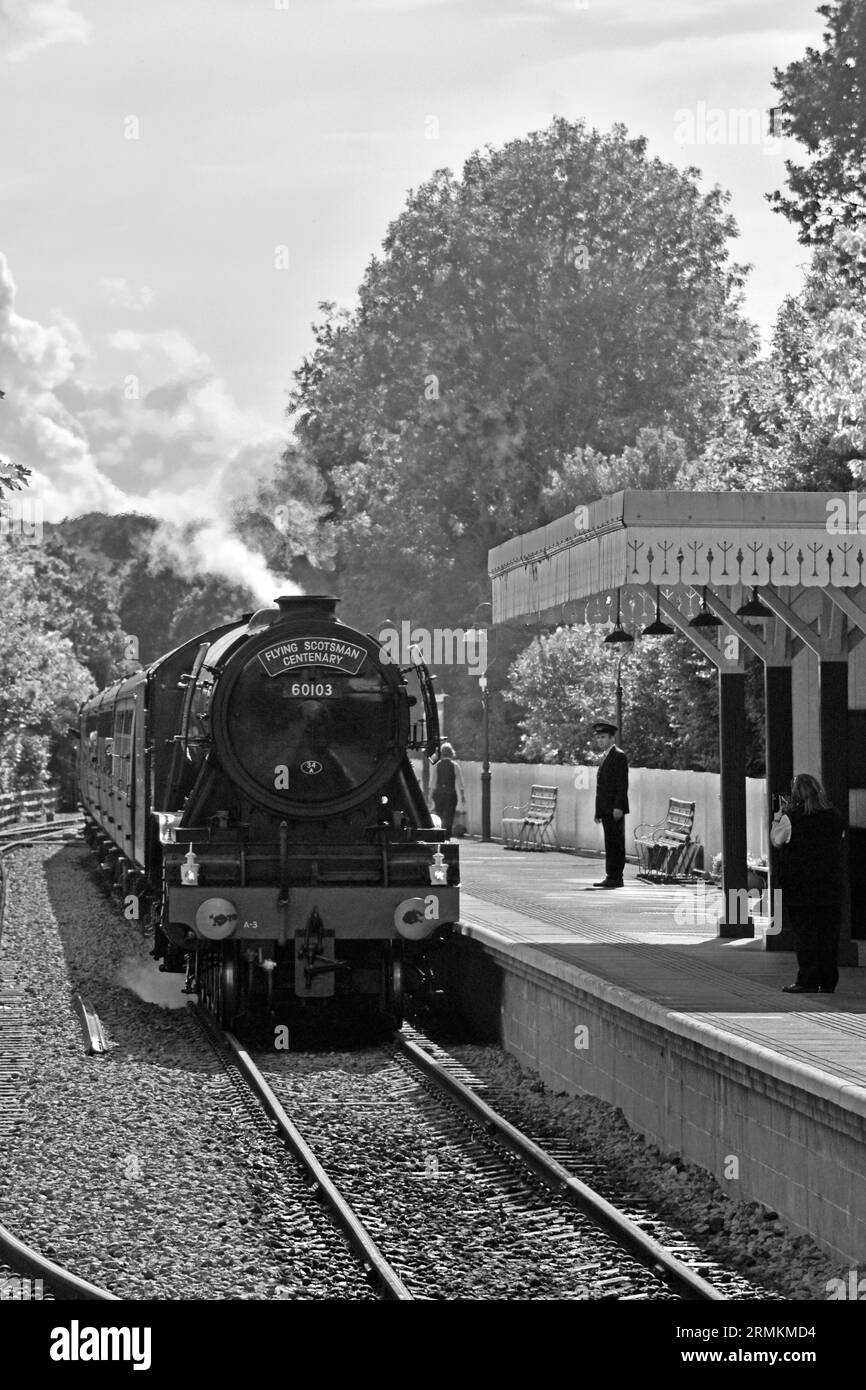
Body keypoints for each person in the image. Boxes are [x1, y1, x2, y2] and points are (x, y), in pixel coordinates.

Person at [770, 772, 844, 995]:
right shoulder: (834, 816)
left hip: (800, 886)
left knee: (805, 933)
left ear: (795, 796)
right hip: (830, 884)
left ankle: (807, 980)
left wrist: (777, 818)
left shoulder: (790, 818)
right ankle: (828, 981)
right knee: (828, 934)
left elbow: (777, 841)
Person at [592, 719, 629, 888]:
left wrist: (619, 807)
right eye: (598, 737)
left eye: (603, 737)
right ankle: (611, 875)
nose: (600, 740)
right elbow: (602, 788)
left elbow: (622, 784)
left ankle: (616, 876)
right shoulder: (606, 757)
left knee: (616, 843)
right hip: (606, 808)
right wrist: (598, 812)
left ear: (612, 738)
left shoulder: (618, 756)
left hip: (614, 808)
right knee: (610, 842)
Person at [429, 742, 465, 838]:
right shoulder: (455, 766)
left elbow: (433, 782)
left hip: (439, 793)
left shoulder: (437, 765)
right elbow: (460, 783)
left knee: (439, 815)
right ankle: (447, 836)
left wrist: (430, 796)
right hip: (450, 794)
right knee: (449, 816)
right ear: (451, 753)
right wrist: (462, 796)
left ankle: (440, 835)